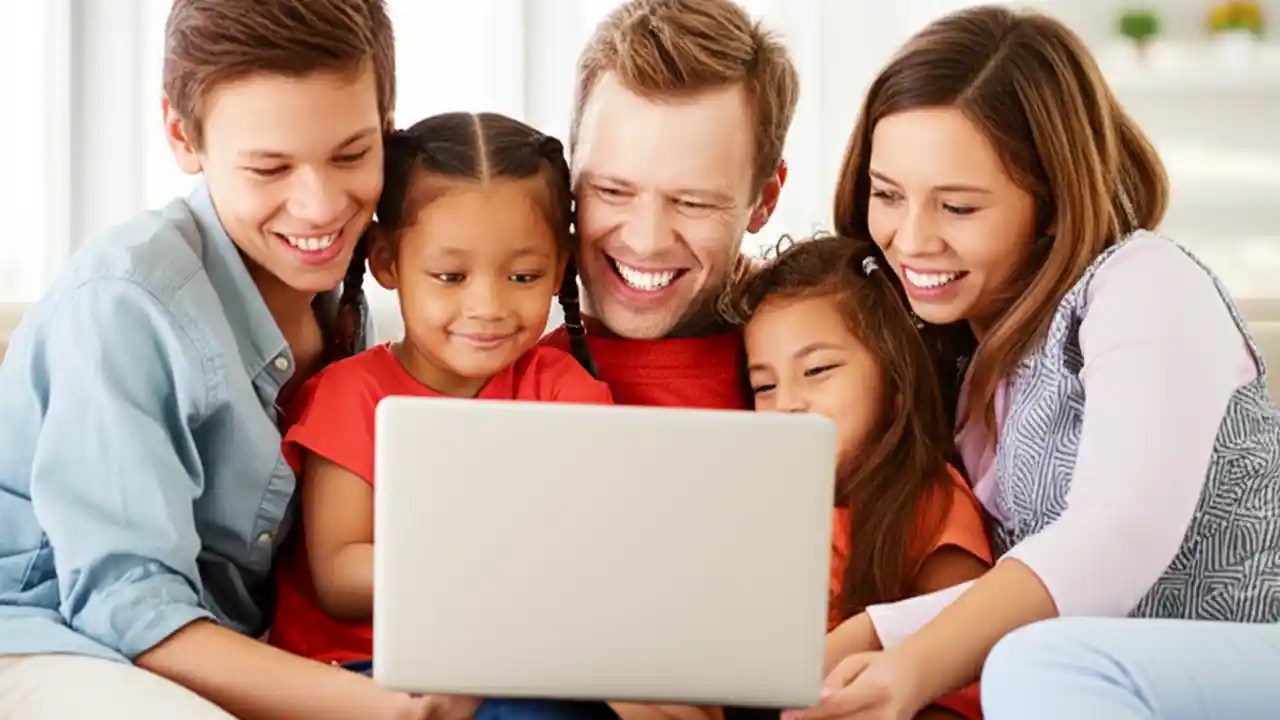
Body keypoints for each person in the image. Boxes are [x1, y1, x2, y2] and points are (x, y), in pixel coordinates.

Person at [779, 6, 1280, 720]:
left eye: (958, 207)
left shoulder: (1146, 282)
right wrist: (855, 643)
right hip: (1124, 674)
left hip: (1258, 642)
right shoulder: (960, 358)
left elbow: (1113, 538)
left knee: (1033, 661)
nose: (910, 239)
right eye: (887, 195)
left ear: (1050, 201)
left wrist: (912, 667)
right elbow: (1023, 588)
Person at [0, 1, 463, 717]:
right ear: (183, 136)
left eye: (351, 155)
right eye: (269, 168)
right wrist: (385, 707)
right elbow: (129, 608)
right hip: (49, 636)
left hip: (219, 641)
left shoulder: (345, 301)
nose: (320, 206)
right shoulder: (125, 304)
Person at [267, 111, 614, 719]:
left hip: (515, 663)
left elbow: (591, 552)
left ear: (561, 267)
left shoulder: (563, 391)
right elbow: (340, 576)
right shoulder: (352, 395)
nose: (488, 305)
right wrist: (491, 571)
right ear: (387, 261)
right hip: (361, 671)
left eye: (524, 275)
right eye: (450, 276)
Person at [736, 235, 992, 720]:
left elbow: (970, 648)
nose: (787, 403)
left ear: (895, 378)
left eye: (817, 369)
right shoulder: (768, 509)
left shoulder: (927, 499)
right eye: (764, 386)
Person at [542, 0, 799, 410]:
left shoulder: (809, 382)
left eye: (692, 203)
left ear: (764, 200)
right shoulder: (497, 382)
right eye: (612, 191)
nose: (646, 242)